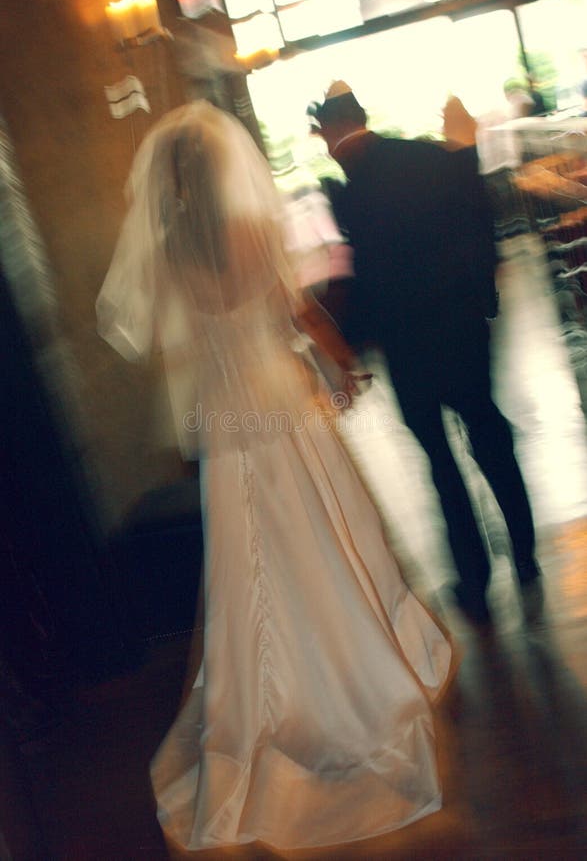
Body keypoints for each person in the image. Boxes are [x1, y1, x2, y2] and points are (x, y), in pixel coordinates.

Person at [96, 101, 453, 853]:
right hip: (278, 410)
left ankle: (260, 699)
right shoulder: (250, 231)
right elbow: (297, 314)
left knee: (248, 561)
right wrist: (340, 362)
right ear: (227, 168)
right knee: (319, 534)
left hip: (228, 422)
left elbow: (180, 345)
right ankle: (346, 673)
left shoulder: (166, 250)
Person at [307, 82, 541, 624]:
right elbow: (480, 228)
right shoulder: (430, 157)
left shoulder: (347, 191)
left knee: (440, 462)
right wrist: (483, 305)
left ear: (334, 131)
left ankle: (474, 579)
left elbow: (359, 276)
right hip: (460, 329)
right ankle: (525, 555)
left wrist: (353, 344)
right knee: (489, 433)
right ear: (363, 115)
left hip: (407, 347)